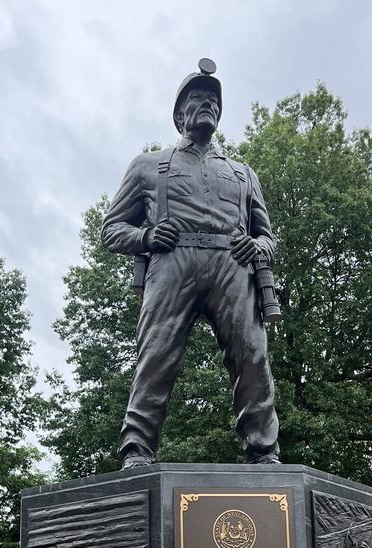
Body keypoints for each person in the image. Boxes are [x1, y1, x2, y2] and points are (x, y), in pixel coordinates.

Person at [101, 58, 281, 469]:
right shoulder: (147, 166)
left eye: (214, 100)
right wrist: (146, 237)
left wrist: (260, 248)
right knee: (156, 355)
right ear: (180, 114)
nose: (208, 105)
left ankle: (263, 452)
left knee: (252, 356)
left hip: (232, 264)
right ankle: (136, 450)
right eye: (198, 98)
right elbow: (111, 229)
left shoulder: (243, 173)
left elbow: (267, 235)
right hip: (172, 264)